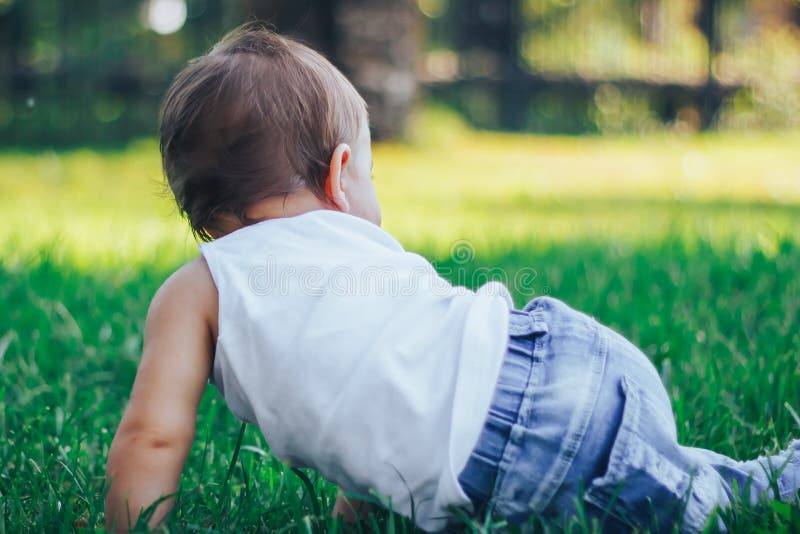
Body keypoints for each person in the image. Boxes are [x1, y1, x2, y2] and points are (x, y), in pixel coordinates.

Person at [104, 23, 799, 533]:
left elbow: (153, 437)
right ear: (340, 175)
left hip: (508, 440)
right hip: (557, 355)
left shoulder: (197, 291)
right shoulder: (360, 245)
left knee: (683, 508)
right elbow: (392, 388)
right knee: (685, 483)